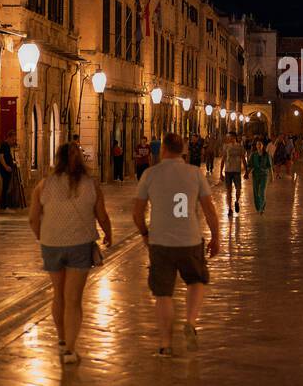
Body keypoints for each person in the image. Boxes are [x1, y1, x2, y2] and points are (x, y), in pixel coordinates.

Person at [132, 131, 220, 354]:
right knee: (197, 280)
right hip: (189, 238)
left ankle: (165, 344)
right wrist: (216, 236)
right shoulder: (194, 173)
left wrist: (144, 234)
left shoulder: (150, 174)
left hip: (160, 241)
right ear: (183, 150)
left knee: (163, 295)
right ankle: (190, 321)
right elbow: (209, 209)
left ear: (162, 149)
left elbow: (137, 212)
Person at [29, 142, 112, 366]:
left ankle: (62, 339)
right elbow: (102, 216)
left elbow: (33, 218)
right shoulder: (91, 184)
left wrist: (42, 236)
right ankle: (70, 350)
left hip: (51, 245)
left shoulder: (44, 185)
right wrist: (108, 234)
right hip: (80, 245)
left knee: (58, 294)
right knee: (73, 298)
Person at [220, 130, 244, 216]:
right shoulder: (225, 147)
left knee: (238, 189)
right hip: (228, 171)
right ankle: (229, 208)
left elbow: (243, 158)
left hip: (237, 171)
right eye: (228, 137)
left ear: (234, 137)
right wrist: (220, 173)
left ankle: (237, 201)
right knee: (228, 191)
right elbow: (223, 159)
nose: (228, 138)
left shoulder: (240, 147)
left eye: (230, 137)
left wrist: (246, 172)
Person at [247, 137, 272, 213]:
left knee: (262, 191)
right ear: (256, 146)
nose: (259, 145)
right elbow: (251, 166)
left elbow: (269, 166)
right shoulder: (253, 155)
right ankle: (258, 207)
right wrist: (247, 173)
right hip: (255, 175)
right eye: (257, 144)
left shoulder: (267, 155)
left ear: (263, 145)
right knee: (255, 191)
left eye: (260, 144)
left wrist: (272, 176)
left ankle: (262, 207)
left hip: (264, 175)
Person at [0, 130, 17, 209]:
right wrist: (6, 166)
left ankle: (5, 205)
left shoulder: (8, 146)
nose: (13, 141)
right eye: (13, 139)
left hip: (8, 169)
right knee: (5, 187)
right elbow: (1, 156)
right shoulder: (4, 145)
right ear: (8, 138)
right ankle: (3, 206)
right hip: (5, 170)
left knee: (7, 187)